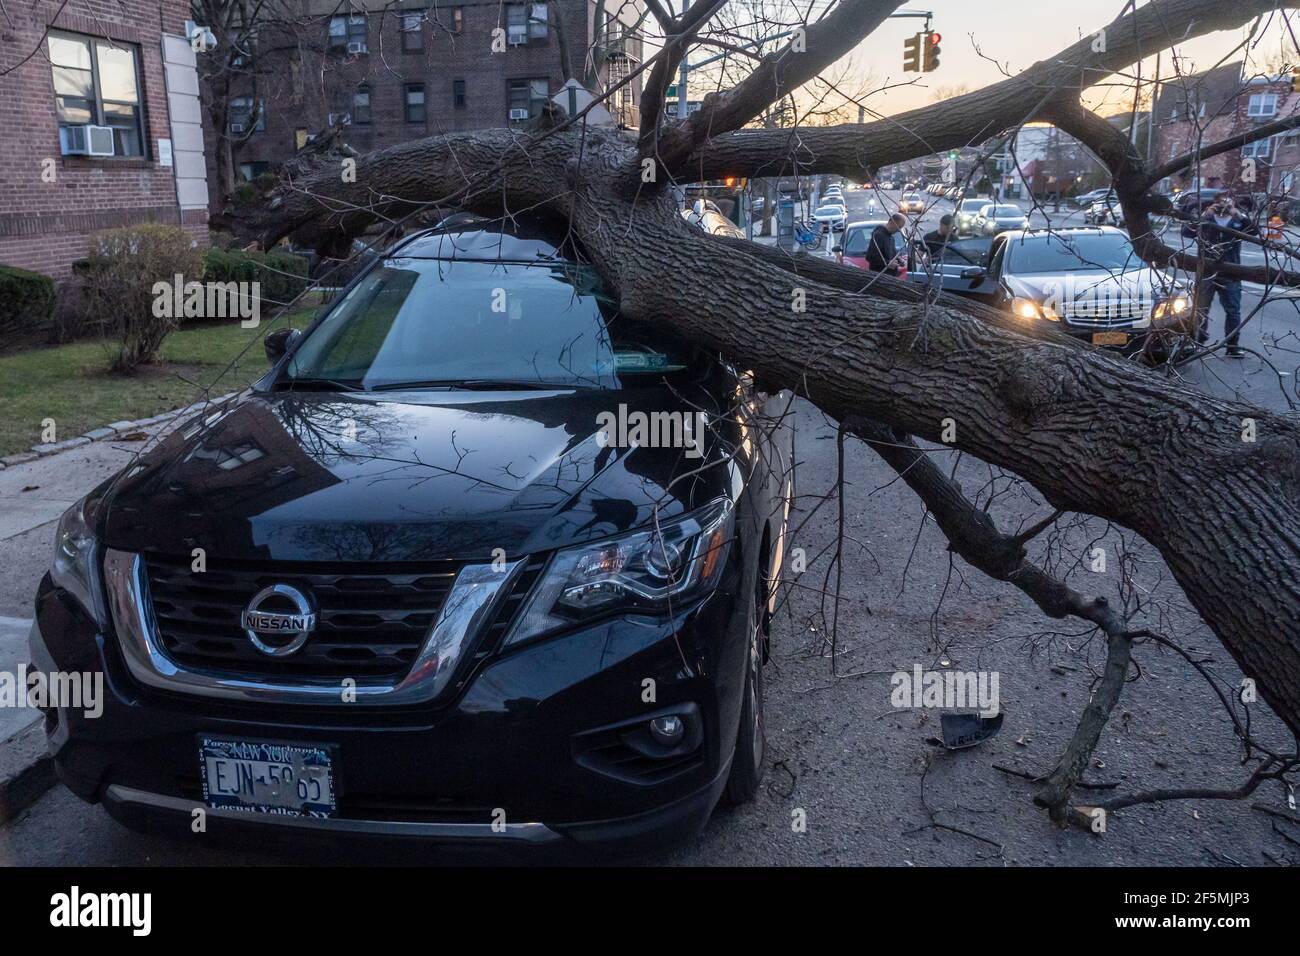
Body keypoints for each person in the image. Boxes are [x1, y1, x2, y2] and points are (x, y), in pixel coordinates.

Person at [1182, 194, 1257, 358]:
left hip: (1231, 273)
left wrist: (1239, 215)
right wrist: (1203, 216)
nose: (1224, 207)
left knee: (1233, 311)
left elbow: (1254, 232)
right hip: (1206, 272)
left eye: (1228, 204)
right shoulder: (1206, 220)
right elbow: (1187, 232)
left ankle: (1232, 345)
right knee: (1201, 309)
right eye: (1220, 203)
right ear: (1213, 205)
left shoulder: (1237, 221)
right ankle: (1198, 341)